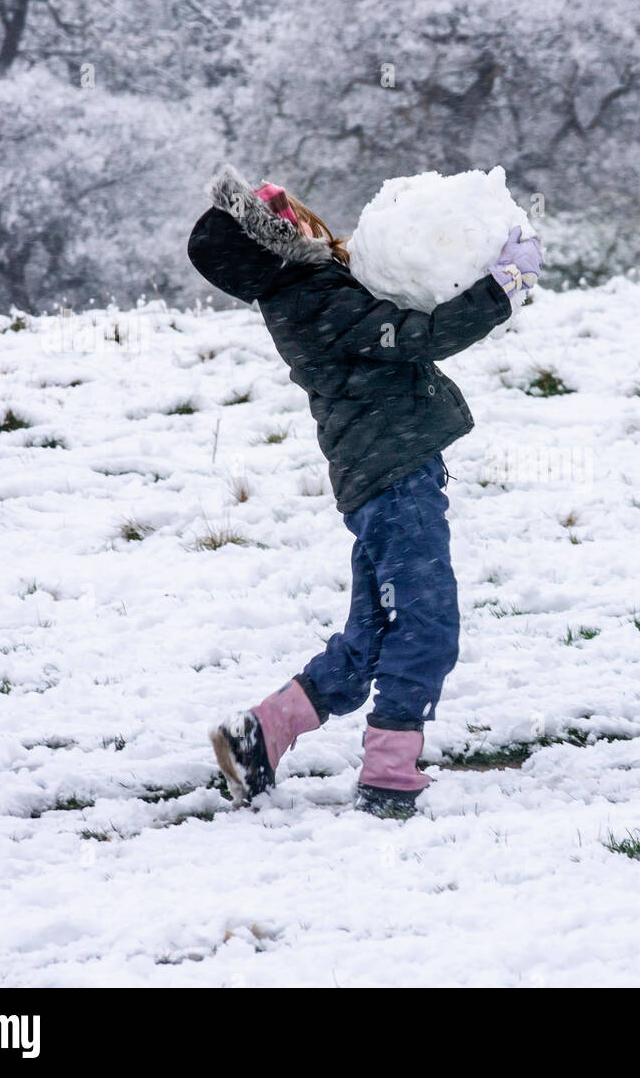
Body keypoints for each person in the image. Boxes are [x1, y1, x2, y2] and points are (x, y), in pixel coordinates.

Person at [186, 164, 542, 817]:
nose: (298, 215)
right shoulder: (314, 297)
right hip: (393, 477)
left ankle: (257, 735)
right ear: (272, 242)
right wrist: (503, 287)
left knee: (372, 635)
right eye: (281, 216)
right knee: (428, 625)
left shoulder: (310, 288)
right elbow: (417, 337)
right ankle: (389, 772)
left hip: (380, 474)